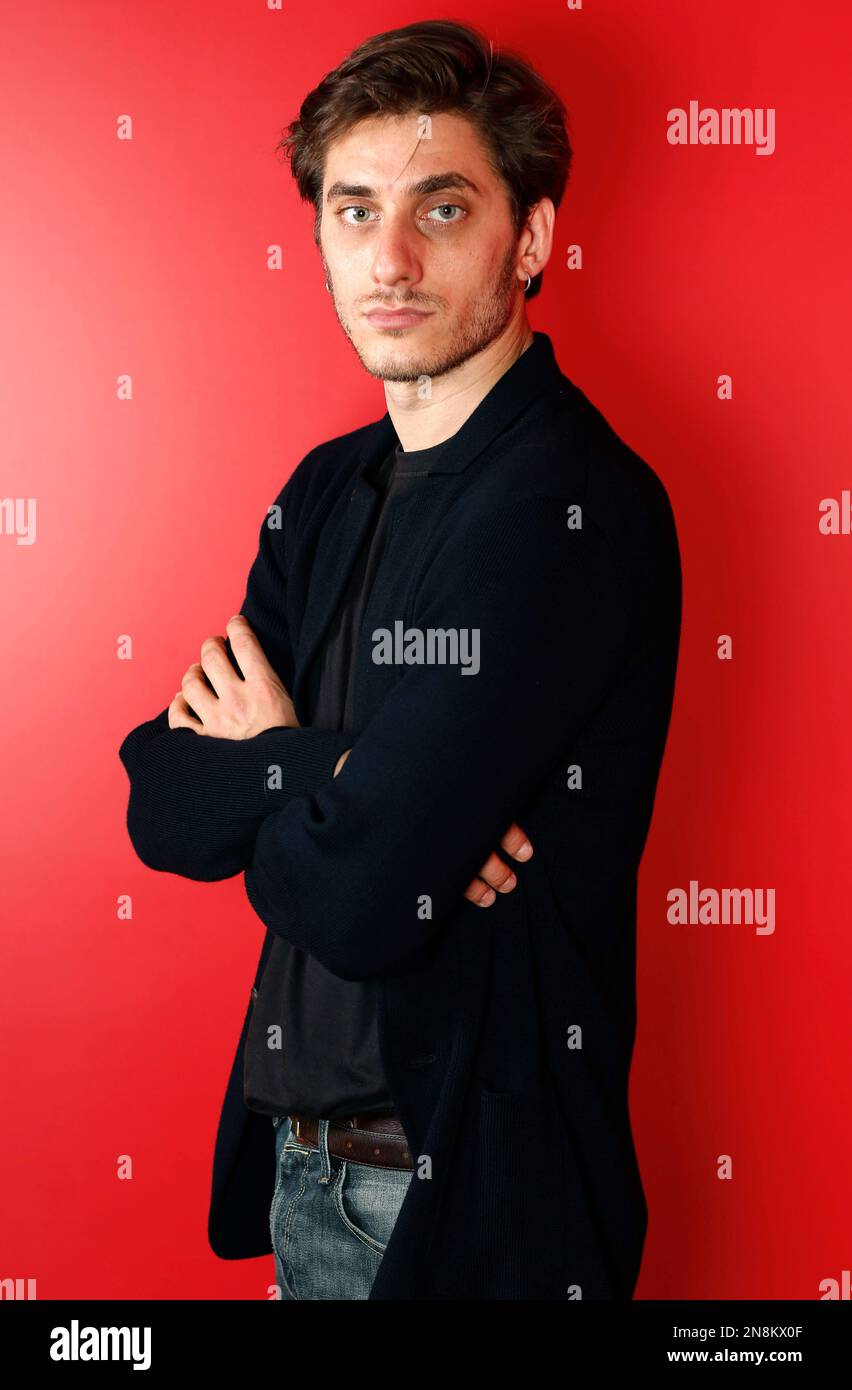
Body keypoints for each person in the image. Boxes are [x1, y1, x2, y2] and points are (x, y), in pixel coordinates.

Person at [118, 19, 682, 1300]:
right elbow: (159, 796)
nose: (390, 258)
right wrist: (338, 768)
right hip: (307, 1171)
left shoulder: (568, 505)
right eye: (354, 209)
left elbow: (366, 899)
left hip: (466, 1197)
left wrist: (289, 777)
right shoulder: (327, 488)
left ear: (529, 238)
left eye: (442, 207)